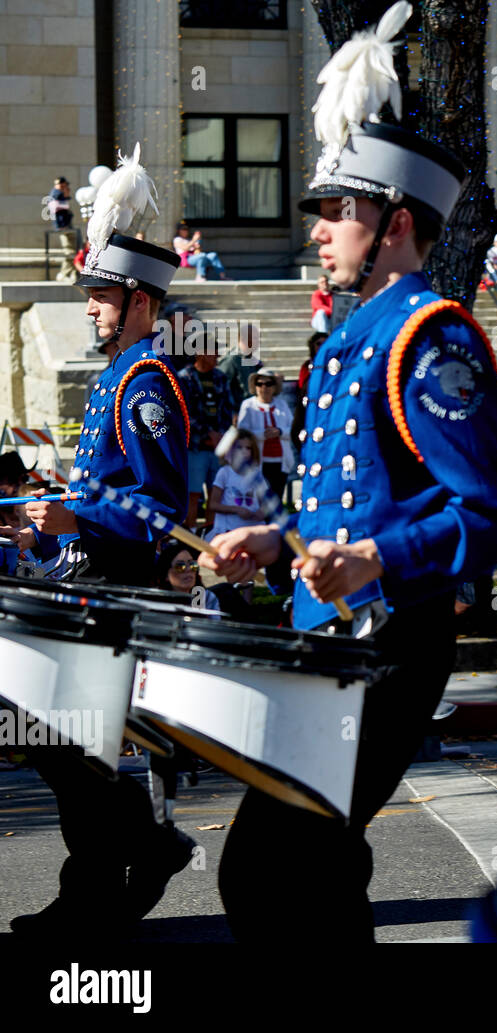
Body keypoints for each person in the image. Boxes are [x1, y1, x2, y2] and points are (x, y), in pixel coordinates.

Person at [199, 22, 497, 943]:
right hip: (334, 641)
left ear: (394, 224)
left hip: (389, 642)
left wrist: (378, 556)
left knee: (274, 868)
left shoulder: (431, 338)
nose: (315, 229)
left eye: (335, 210)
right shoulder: (351, 336)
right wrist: (278, 542)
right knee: (312, 871)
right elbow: (340, 507)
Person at [9, 150, 196, 939]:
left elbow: (160, 510)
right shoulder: (121, 373)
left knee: (58, 739)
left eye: (100, 294)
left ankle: (130, 860)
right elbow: (99, 498)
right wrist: (46, 516)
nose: (88, 306)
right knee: (60, 743)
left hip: (122, 600)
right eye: (88, 294)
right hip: (89, 588)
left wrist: (76, 521)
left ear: (139, 301)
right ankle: (113, 871)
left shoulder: (147, 383)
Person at [176, 341, 234, 528]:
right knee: (193, 493)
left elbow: (228, 409)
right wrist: (207, 434)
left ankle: (210, 532)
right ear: (200, 353)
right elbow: (183, 412)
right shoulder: (184, 378)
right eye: (213, 352)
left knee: (216, 492)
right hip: (195, 446)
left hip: (217, 446)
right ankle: (190, 534)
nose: (217, 357)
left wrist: (221, 435)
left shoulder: (220, 377)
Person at [236, 369, 294, 503]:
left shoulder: (282, 405)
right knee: (260, 501)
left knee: (277, 498)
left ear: (274, 386)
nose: (264, 387)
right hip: (258, 462)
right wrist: (262, 435)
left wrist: (279, 432)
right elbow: (242, 434)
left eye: (268, 384)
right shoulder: (248, 405)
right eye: (259, 383)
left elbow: (292, 430)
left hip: (280, 462)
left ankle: (274, 524)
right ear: (254, 386)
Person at [49, 176, 77, 283]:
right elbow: (54, 206)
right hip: (63, 226)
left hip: (66, 225)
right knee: (70, 251)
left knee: (72, 251)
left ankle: (71, 273)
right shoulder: (56, 193)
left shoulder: (58, 193)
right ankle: (63, 274)